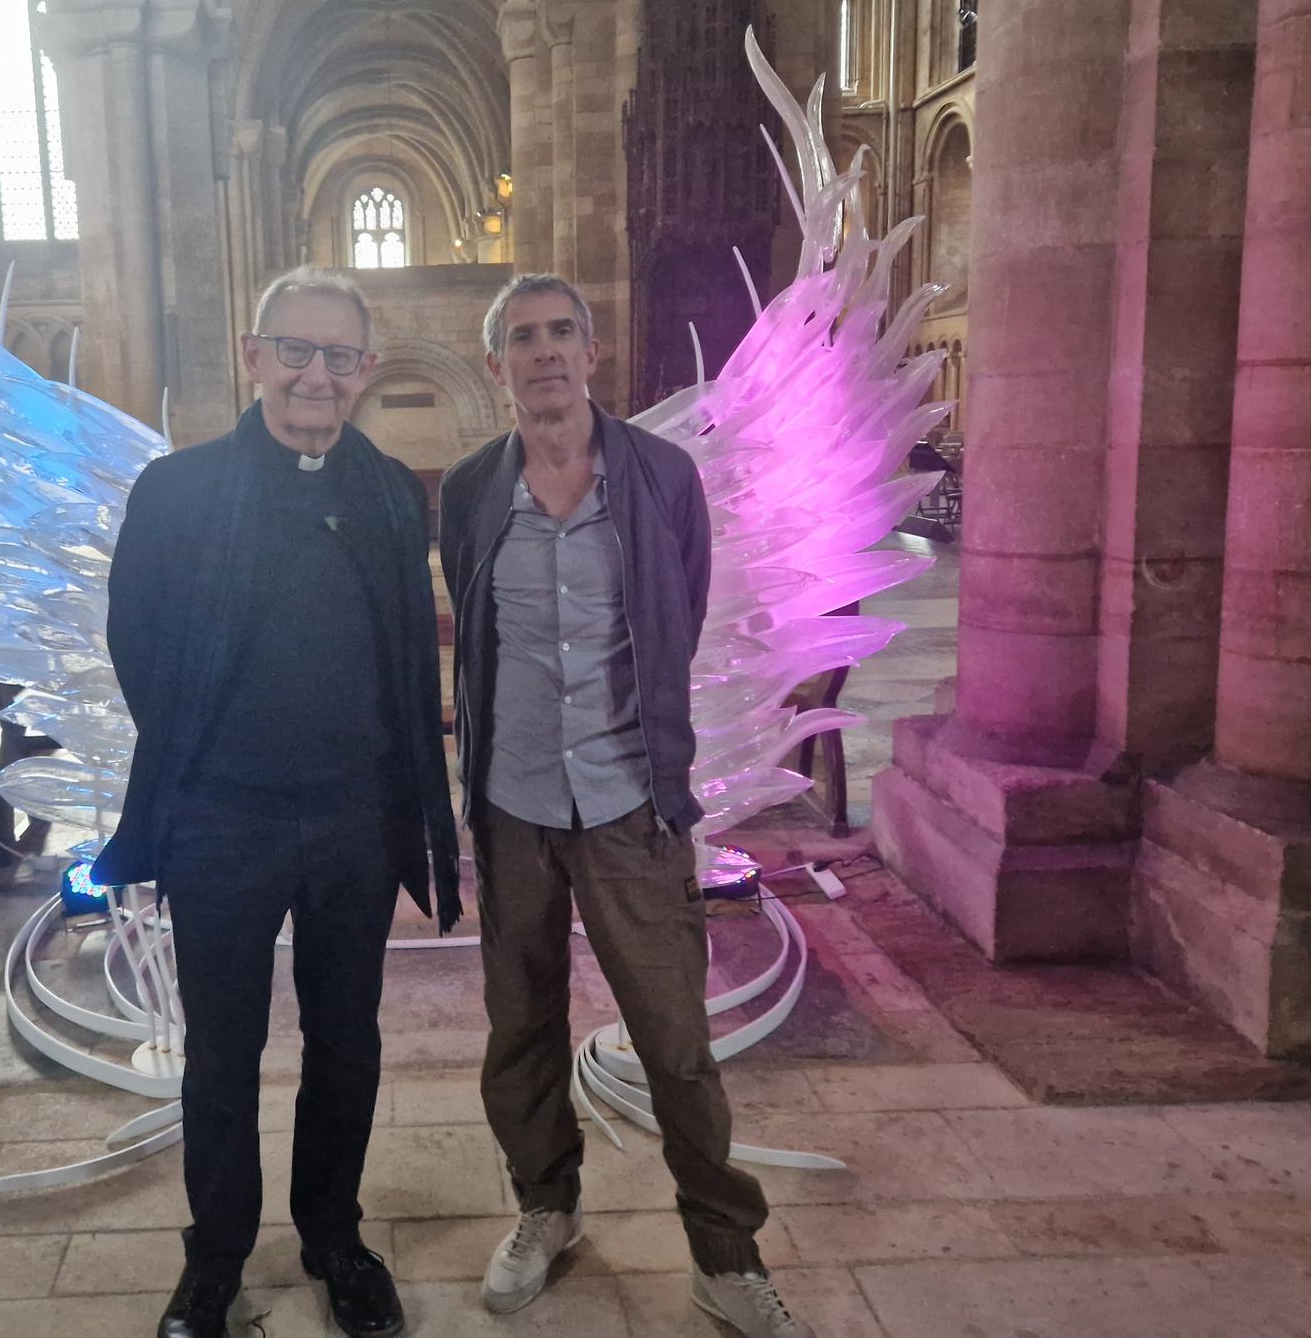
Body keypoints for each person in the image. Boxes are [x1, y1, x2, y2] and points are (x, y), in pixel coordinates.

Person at [437, 274, 813, 1338]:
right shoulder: (470, 492)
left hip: (627, 807)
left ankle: (722, 1256)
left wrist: (658, 767)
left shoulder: (658, 478)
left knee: (674, 1041)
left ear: (591, 353)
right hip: (511, 807)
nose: (543, 352)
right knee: (519, 1030)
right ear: (496, 364)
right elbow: (473, 636)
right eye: (520, 338)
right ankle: (544, 1209)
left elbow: (675, 615)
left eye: (561, 332)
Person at [97, 266, 463, 1338]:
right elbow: (136, 641)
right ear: (251, 356)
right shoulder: (177, 490)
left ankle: (333, 1239)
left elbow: (407, 653)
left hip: (353, 816)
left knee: (346, 1041)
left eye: (337, 357)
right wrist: (204, 754)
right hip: (224, 817)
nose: (315, 374)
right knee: (221, 1050)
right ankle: (213, 1259)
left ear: (362, 372)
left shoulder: (394, 494)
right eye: (294, 351)